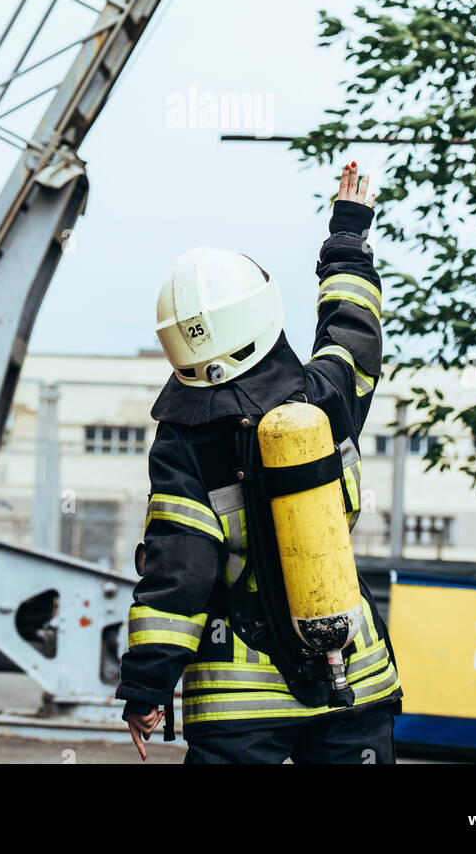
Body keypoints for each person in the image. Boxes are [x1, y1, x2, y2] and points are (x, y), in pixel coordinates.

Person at [115, 160, 403, 764]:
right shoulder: (325, 397)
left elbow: (181, 572)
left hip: (237, 704)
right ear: (261, 314)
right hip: (353, 679)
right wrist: (348, 235)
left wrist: (147, 686)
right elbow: (352, 329)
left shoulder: (182, 443)